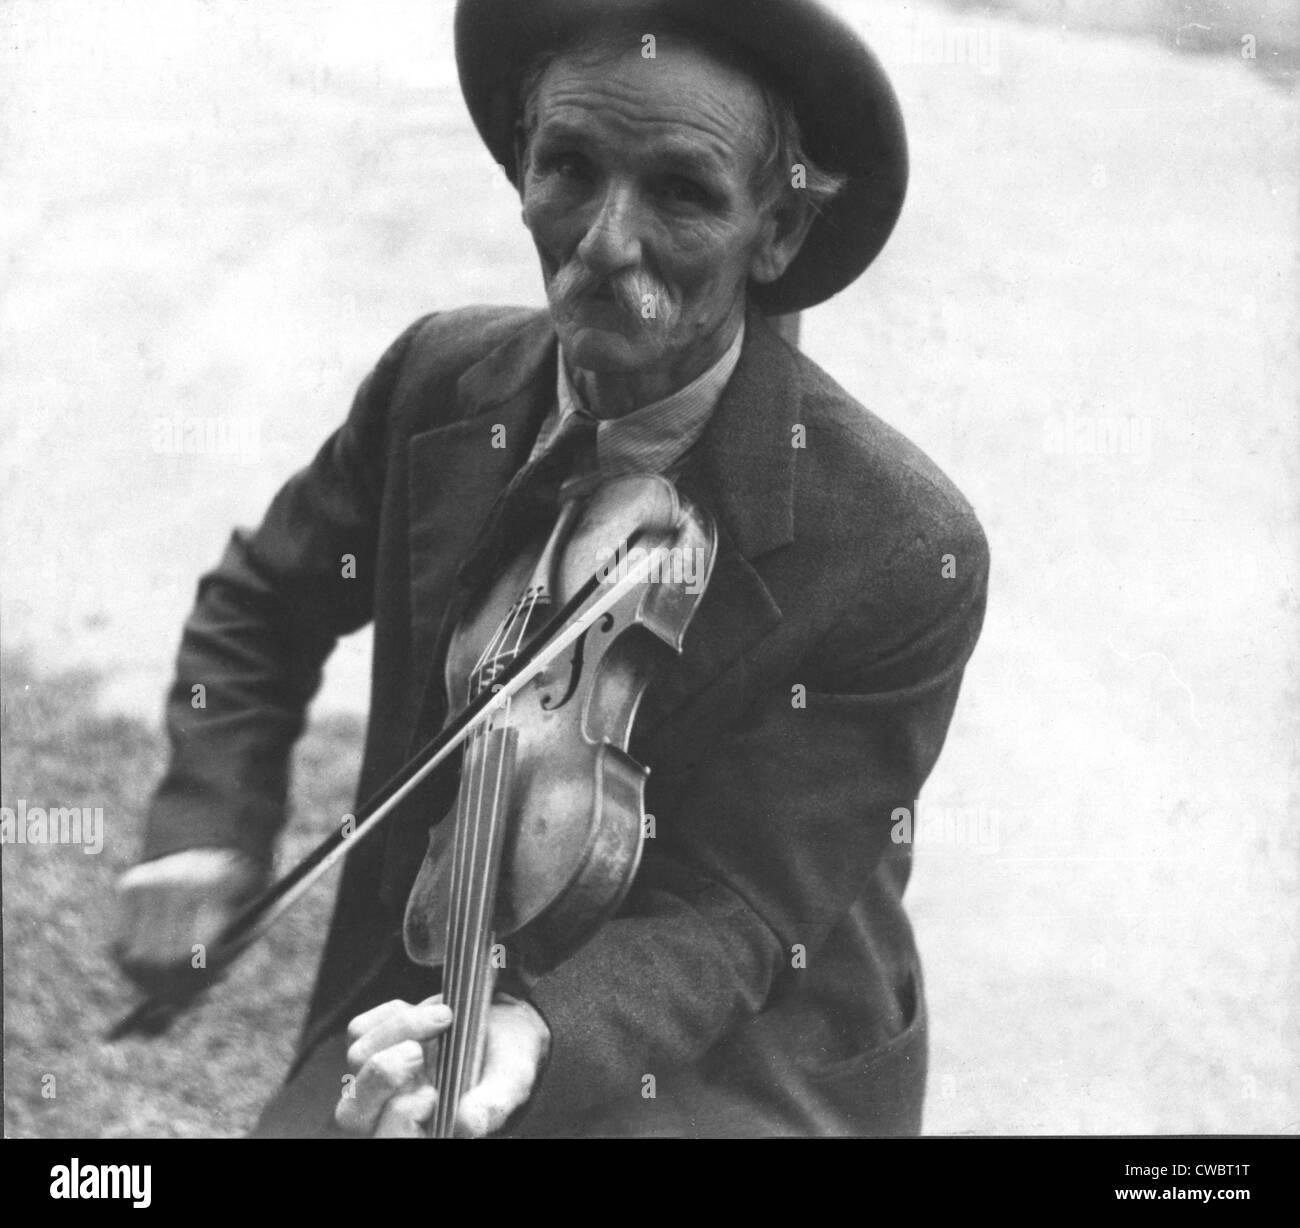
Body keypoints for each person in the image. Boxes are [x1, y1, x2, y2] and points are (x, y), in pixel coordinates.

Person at [113, 0, 990, 1138]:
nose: (604, 242)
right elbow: (261, 603)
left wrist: (536, 1028)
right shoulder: (439, 380)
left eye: (681, 192)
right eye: (569, 166)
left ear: (774, 231)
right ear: (520, 166)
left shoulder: (900, 543)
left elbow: (743, 907)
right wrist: (210, 817)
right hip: (443, 954)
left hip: (741, 1032)